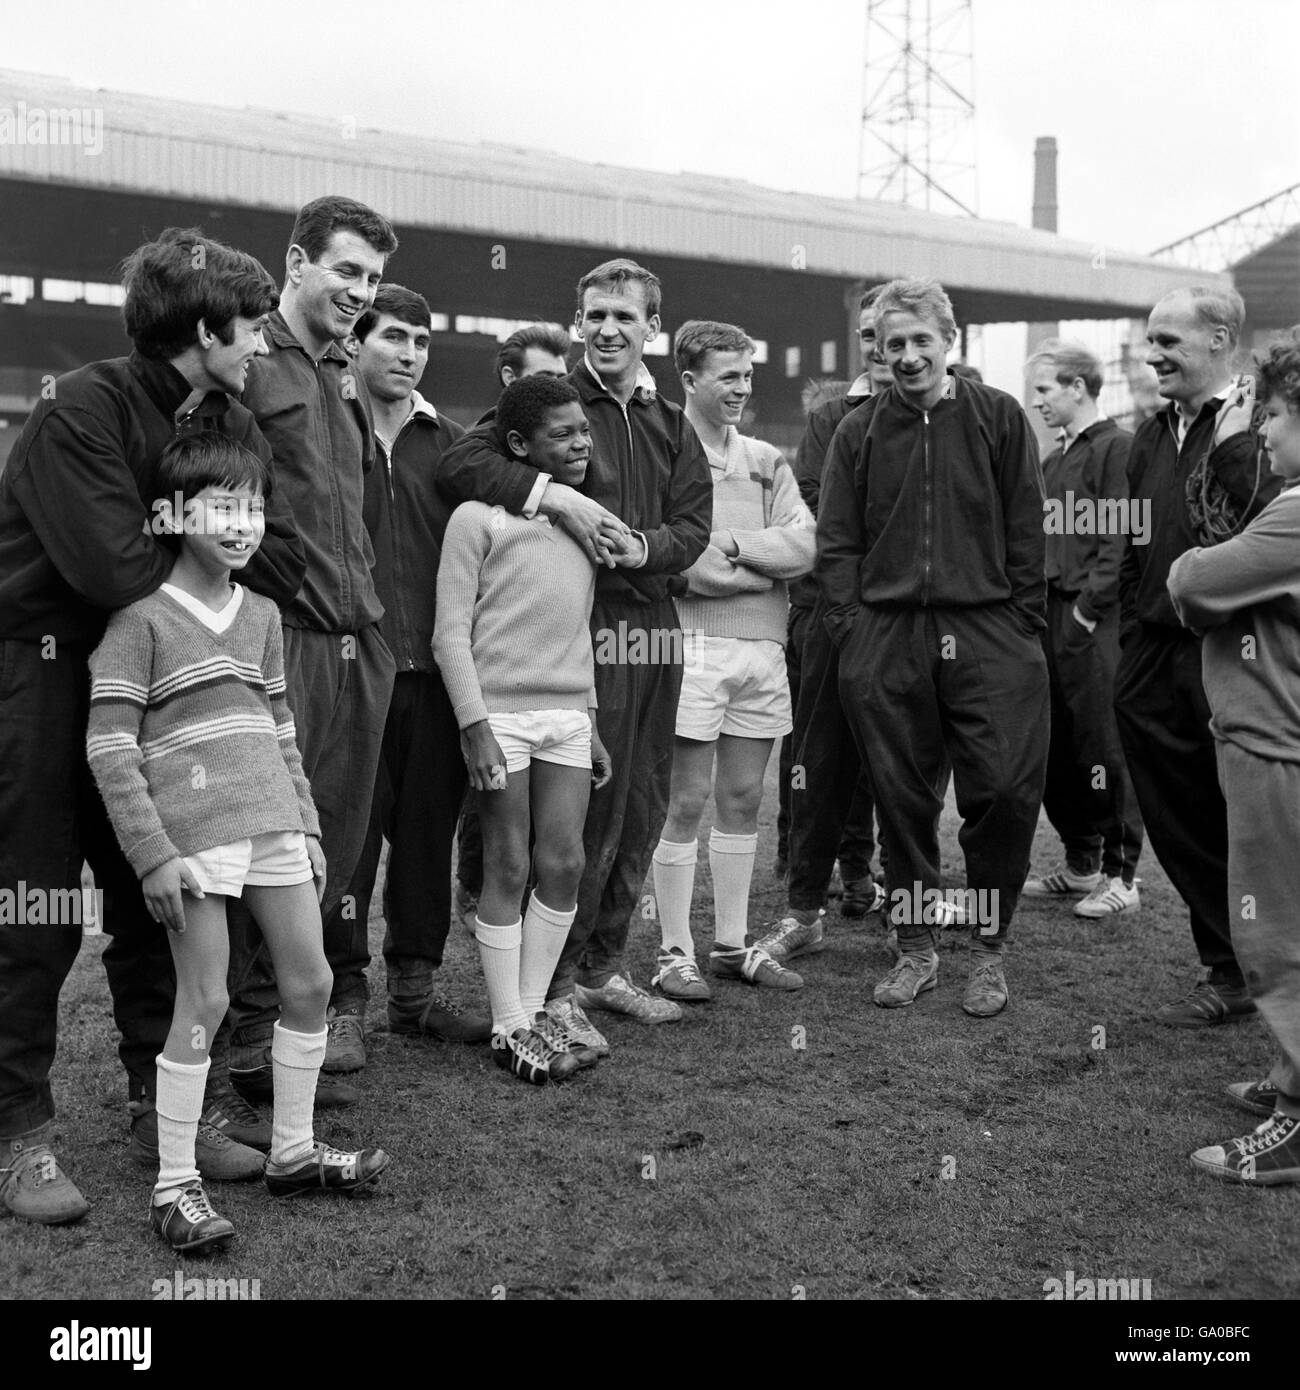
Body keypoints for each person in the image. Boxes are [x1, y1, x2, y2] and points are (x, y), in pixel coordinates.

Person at [0, 227, 304, 1225]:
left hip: (154, 677)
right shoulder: (79, 409)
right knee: (37, 906)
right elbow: (113, 573)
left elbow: (271, 549)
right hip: (45, 671)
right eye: (254, 325)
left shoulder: (214, 414)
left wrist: (228, 551)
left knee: (154, 896)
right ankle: (18, 1136)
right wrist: (219, 555)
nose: (263, 344)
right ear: (208, 326)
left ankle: (163, 1101)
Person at [86, 435, 389, 1252]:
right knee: (206, 1002)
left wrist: (308, 821)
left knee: (311, 981)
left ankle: (291, 1152)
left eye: (252, 507)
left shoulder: (262, 615)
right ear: (172, 515)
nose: (242, 524)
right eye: (221, 507)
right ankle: (174, 1184)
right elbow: (110, 748)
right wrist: (152, 853)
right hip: (193, 842)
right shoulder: (137, 621)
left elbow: (282, 728)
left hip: (275, 828)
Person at [438, 258, 712, 1045]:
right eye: (595, 315)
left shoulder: (671, 423)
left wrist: (637, 546)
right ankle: (547, 990)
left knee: (643, 805)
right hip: (578, 633)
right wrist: (556, 497)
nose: (608, 329)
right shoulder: (555, 399)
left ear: (653, 327)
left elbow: (692, 530)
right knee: (578, 819)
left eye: (625, 316)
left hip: (653, 625)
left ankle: (602, 969)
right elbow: (463, 463)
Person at [819, 277, 1049, 1018]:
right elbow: (838, 541)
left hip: (987, 629)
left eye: (922, 341)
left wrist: (1020, 623)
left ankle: (987, 948)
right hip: (887, 634)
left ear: (950, 340)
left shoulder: (999, 418)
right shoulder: (857, 432)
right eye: (894, 345)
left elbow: (1026, 530)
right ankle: (915, 944)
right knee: (903, 798)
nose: (909, 357)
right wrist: (854, 630)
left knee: (1005, 791)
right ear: (878, 352)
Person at [228, 196, 400, 1093]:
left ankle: (299, 1029)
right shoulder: (250, 358)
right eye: (345, 270)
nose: (358, 292)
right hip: (283, 637)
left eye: (370, 278)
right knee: (268, 848)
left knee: (333, 843)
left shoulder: (343, 366)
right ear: (296, 262)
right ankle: (245, 1051)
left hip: (355, 640)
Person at [436, 376, 612, 1081]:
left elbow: (581, 628)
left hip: (568, 716)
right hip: (500, 717)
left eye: (584, 431)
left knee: (564, 863)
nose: (580, 443)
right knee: (507, 864)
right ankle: (509, 1027)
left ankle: (533, 1014)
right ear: (517, 445)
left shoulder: (581, 520)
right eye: (562, 434)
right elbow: (450, 634)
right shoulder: (475, 518)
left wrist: (592, 720)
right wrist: (474, 726)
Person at [1113, 287, 1278, 1027]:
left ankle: (1257, 972)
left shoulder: (1259, 426)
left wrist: (1241, 438)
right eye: (1151, 339)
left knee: (1244, 819)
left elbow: (1256, 521)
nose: (1155, 355)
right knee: (1175, 817)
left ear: (1220, 340)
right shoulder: (1149, 434)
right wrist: (1129, 633)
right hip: (1152, 653)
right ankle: (1228, 966)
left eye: (1170, 341)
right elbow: (1130, 543)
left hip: (1230, 651)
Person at [1168, 327, 1300, 1184]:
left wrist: (1195, 566)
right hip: (1278, 741)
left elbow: (1192, 583)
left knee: (1281, 939)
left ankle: (1297, 1124)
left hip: (1277, 749)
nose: (1270, 435)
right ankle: (1293, 1076)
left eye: (1281, 416)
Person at [651, 320, 814, 1000]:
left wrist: (734, 550)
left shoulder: (767, 458)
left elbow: (805, 548)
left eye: (748, 376)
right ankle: (672, 951)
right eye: (728, 376)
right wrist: (757, 559)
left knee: (744, 799)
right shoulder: (665, 454)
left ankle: (730, 945)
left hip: (762, 651)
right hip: (693, 645)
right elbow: (678, 562)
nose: (742, 389)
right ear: (689, 381)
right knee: (685, 800)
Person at [347, 284, 490, 1044]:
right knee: (349, 848)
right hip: (350, 677)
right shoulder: (325, 431)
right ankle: (341, 1006)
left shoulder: (454, 444)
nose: (408, 354)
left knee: (427, 841)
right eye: (394, 337)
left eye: (421, 341)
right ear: (356, 342)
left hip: (436, 679)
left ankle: (413, 994)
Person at [774, 289, 891, 915]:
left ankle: (896, 887)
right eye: (868, 334)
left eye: (890, 333)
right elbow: (819, 509)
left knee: (897, 757)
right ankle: (824, 881)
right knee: (821, 754)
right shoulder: (830, 418)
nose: (878, 346)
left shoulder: (938, 415)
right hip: (831, 608)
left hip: (903, 616)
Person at [455, 321, 575, 930]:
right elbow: (459, 465)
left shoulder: (575, 456)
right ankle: (476, 898)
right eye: (539, 380)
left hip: (564, 695)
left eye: (562, 377)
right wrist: (550, 494)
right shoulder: (478, 452)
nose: (554, 391)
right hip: (489, 685)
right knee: (499, 846)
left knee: (558, 854)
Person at [1021, 339, 1144, 917]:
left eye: (1045, 389)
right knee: (1057, 746)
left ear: (1077, 386)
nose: (1037, 401)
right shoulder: (1052, 459)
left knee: (1102, 743)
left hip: (1091, 621)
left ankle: (1123, 876)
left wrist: (1088, 610)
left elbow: (1122, 542)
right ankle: (1081, 863)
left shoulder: (1118, 448)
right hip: (1049, 616)